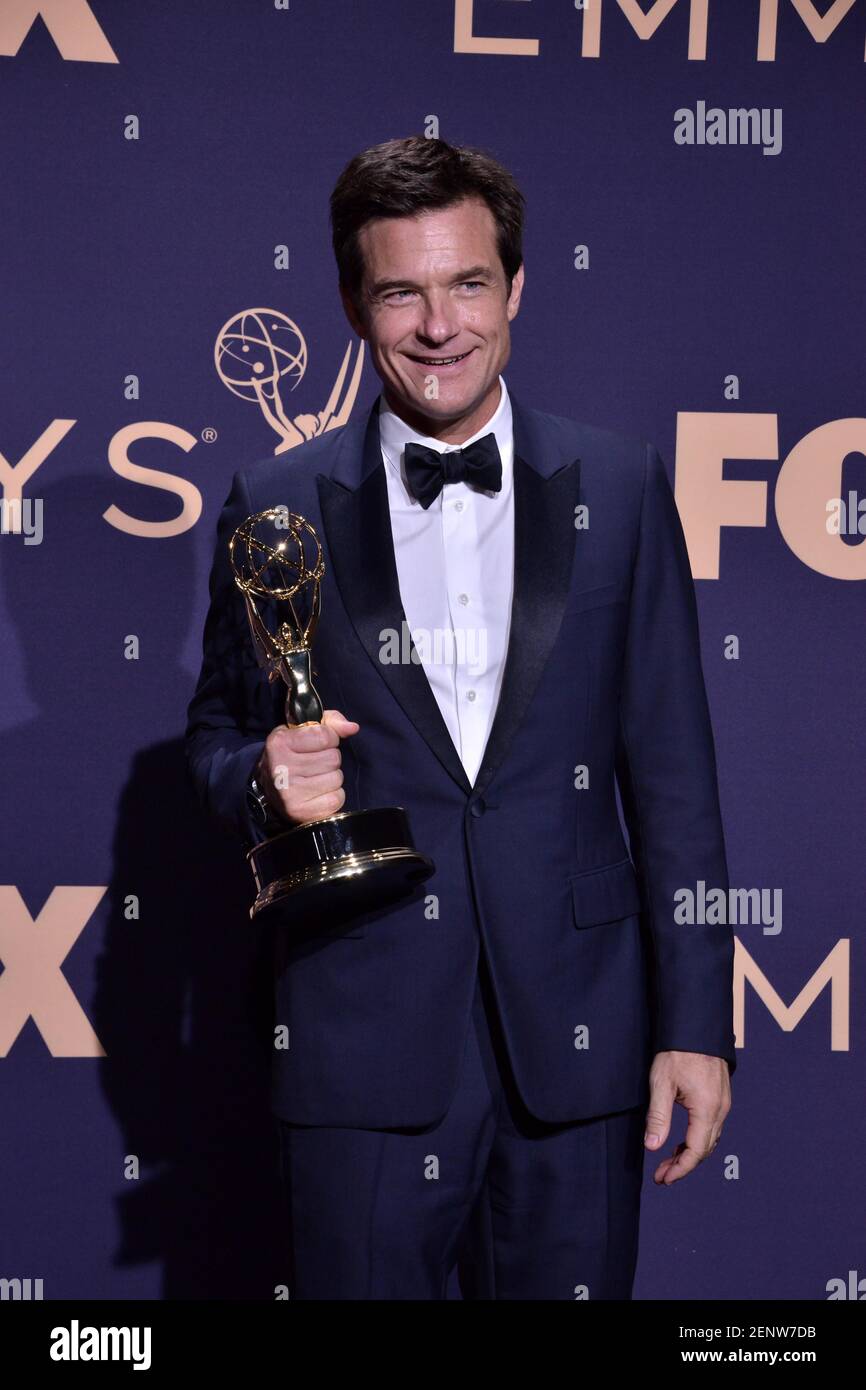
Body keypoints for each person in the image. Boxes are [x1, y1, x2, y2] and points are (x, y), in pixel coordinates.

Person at [184, 135, 735, 1300]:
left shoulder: (622, 487)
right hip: (360, 1036)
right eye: (401, 291)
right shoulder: (274, 504)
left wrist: (695, 1025)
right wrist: (262, 776)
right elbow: (215, 741)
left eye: (468, 284)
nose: (439, 326)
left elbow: (674, 775)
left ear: (516, 287)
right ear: (351, 303)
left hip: (577, 1045)